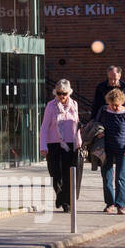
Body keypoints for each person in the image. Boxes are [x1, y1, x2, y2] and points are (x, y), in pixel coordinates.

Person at [39, 79, 82, 210]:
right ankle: (60, 196)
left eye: (64, 93)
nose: (62, 97)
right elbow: (44, 127)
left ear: (69, 93)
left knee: (69, 174)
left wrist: (79, 142)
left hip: (71, 144)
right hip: (54, 144)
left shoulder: (74, 104)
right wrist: (43, 146)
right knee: (55, 173)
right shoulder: (51, 106)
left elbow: (77, 124)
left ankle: (66, 202)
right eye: (59, 93)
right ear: (55, 93)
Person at [98, 87, 125, 214]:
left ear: (122, 102)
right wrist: (98, 133)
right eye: (112, 105)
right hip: (106, 148)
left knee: (120, 177)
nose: (114, 107)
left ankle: (121, 205)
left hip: (123, 149)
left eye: (117, 105)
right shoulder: (104, 111)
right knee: (107, 176)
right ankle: (110, 203)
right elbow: (96, 125)